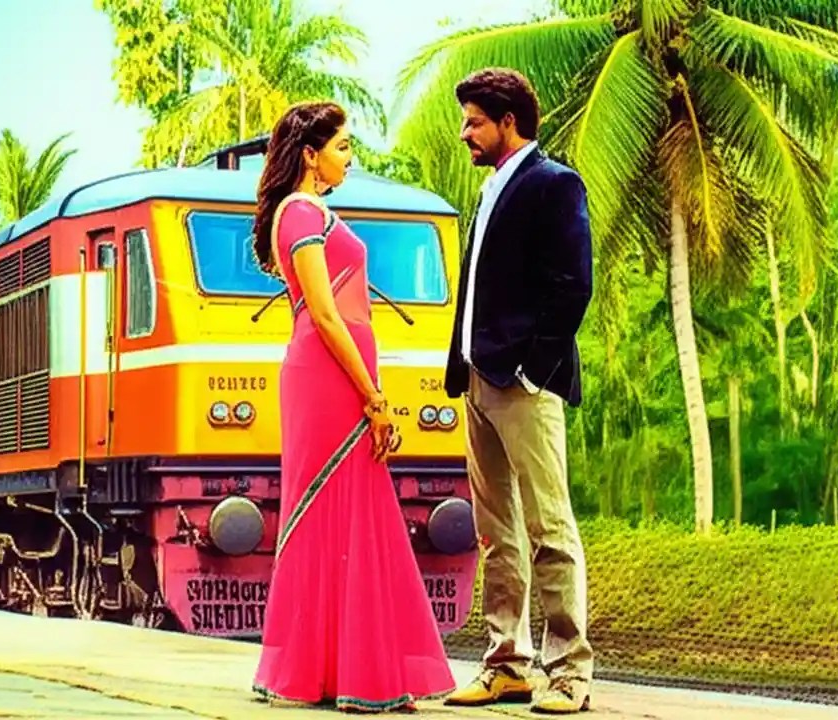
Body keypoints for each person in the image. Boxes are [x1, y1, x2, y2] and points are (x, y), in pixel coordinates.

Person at [249, 100, 457, 714]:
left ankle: (343, 671)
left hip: (337, 376)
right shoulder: (299, 213)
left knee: (352, 513)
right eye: (342, 146)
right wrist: (373, 396)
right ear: (310, 155)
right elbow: (323, 313)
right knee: (335, 512)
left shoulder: (311, 212)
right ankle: (350, 675)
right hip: (328, 379)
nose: (350, 157)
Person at [440, 68, 595, 714]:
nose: (465, 133)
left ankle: (570, 673)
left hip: (525, 384)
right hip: (477, 380)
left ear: (509, 123)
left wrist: (533, 368)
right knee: (496, 533)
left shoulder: (555, 184)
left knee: (548, 528)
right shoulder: (490, 190)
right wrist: (466, 367)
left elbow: (573, 285)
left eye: (475, 122)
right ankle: (506, 663)